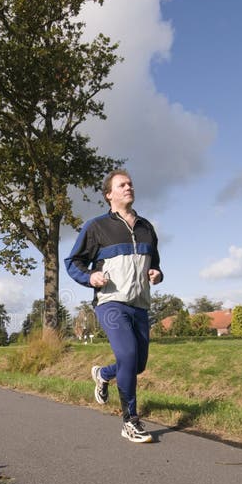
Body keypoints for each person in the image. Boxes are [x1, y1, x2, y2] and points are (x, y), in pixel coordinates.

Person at [65, 169, 163, 443]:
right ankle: (130, 421)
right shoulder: (96, 227)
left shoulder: (146, 228)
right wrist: (90, 277)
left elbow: (155, 263)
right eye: (122, 185)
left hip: (140, 304)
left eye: (130, 184)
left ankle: (103, 374)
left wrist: (157, 273)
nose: (128, 187)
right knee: (128, 355)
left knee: (137, 365)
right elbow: (73, 262)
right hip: (110, 303)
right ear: (109, 194)